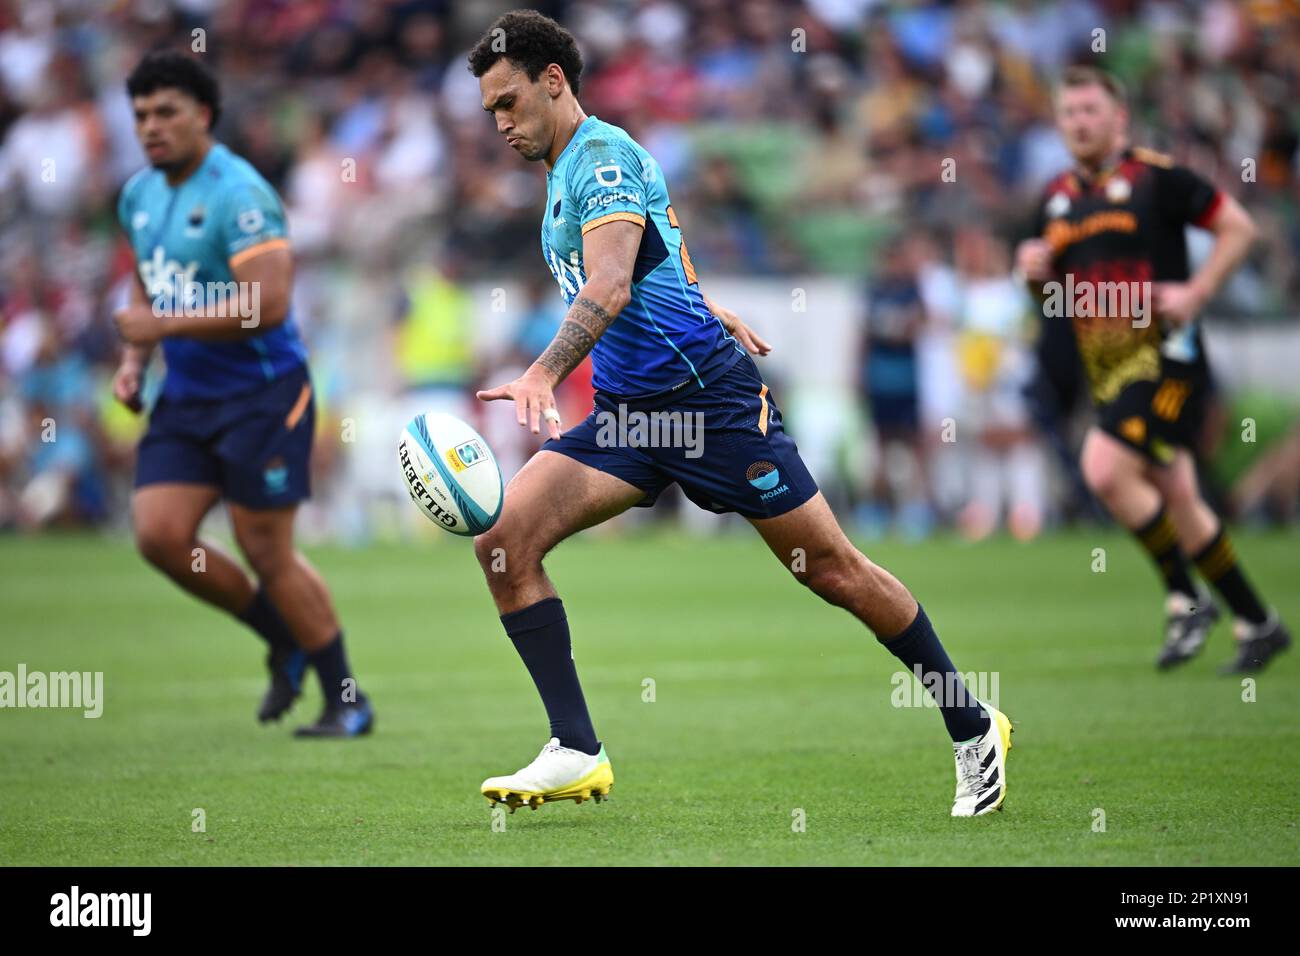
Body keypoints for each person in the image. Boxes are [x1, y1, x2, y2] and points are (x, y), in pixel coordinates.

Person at [465, 10, 1012, 817]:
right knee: (505, 544)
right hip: (630, 418)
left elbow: (610, 284)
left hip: (711, 408)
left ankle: (972, 727)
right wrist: (704, 303)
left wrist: (543, 373)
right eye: (490, 112)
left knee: (831, 570)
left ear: (554, 81)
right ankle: (577, 746)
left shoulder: (603, 158)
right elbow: (655, 258)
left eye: (509, 102)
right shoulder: (562, 174)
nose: (501, 124)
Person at [112, 51, 374, 736]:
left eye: (165, 111)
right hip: (187, 397)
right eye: (140, 115)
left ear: (203, 115)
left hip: (263, 393)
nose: (150, 127)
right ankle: (280, 635)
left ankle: (346, 696)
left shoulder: (239, 192)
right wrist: (136, 361)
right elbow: (151, 280)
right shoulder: (138, 195)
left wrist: (159, 325)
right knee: (161, 537)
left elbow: (269, 302)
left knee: (267, 550)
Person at [1014, 65, 1289, 673]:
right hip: (1108, 367)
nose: (1080, 122)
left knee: (1103, 466)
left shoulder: (1157, 179)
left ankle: (1186, 597)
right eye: (1069, 113)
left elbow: (1237, 228)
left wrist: (1197, 292)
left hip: (1168, 359)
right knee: (1180, 498)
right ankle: (1259, 621)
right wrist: (1033, 279)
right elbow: (1054, 297)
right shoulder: (1056, 198)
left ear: (1119, 119)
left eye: (1091, 111)